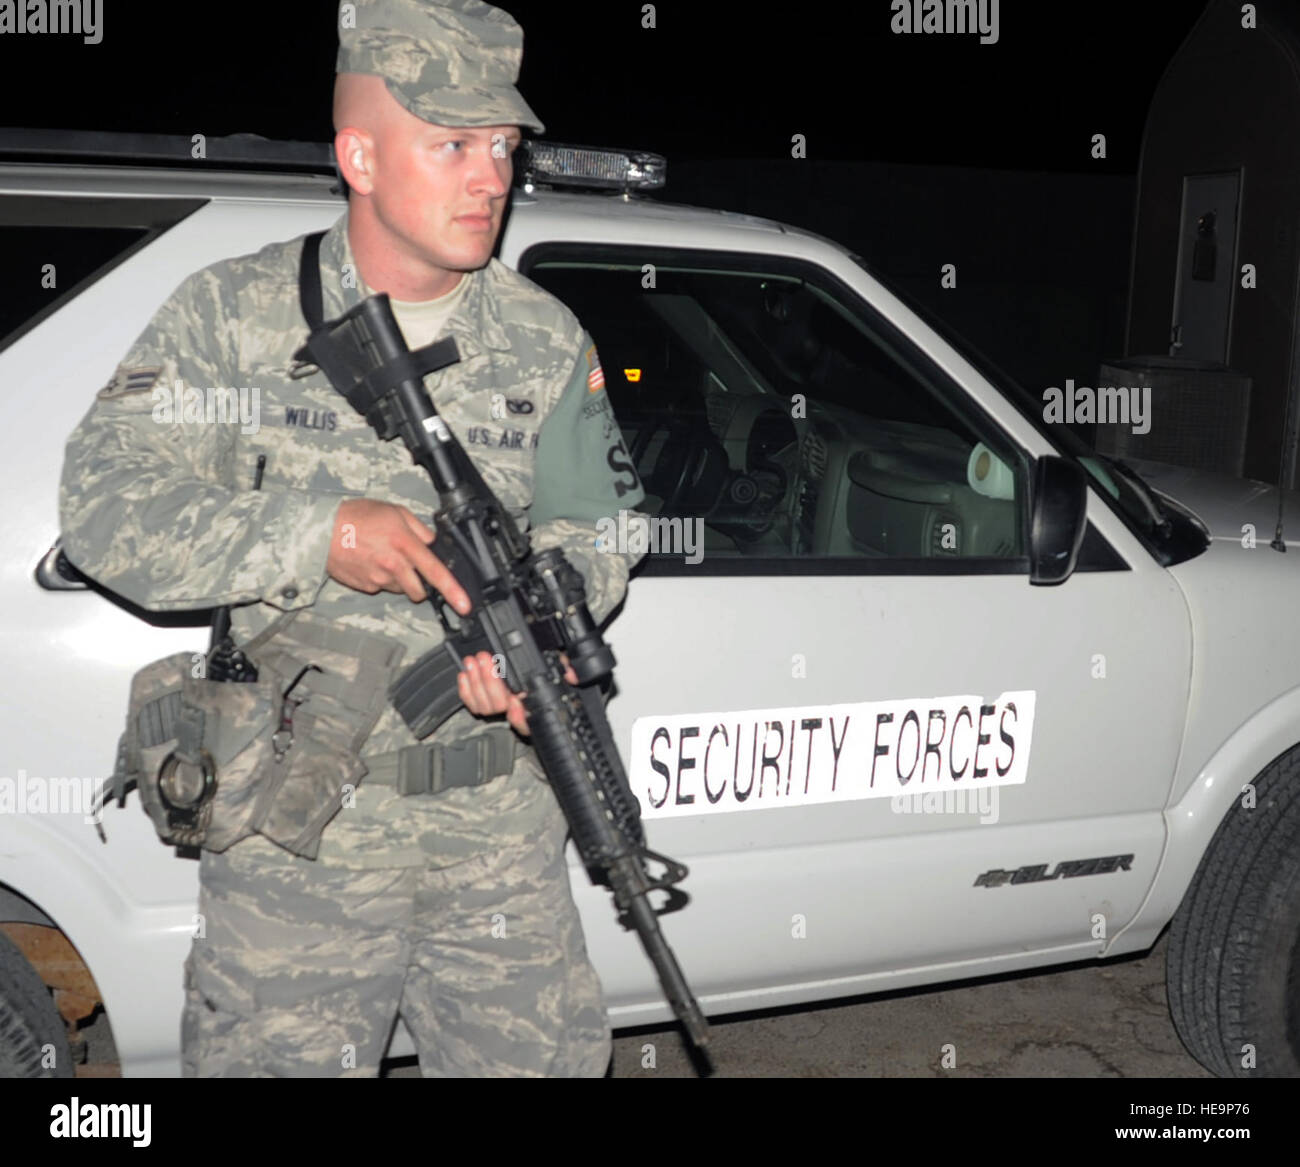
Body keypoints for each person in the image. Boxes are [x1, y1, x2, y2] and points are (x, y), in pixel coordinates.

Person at [58, 0, 644, 1077]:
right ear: (359, 155)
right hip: (301, 841)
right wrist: (312, 533)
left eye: (504, 146)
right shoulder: (233, 316)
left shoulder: (541, 334)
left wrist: (540, 630)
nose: (491, 176)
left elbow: (602, 520)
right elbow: (102, 505)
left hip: (500, 839)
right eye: (453, 143)